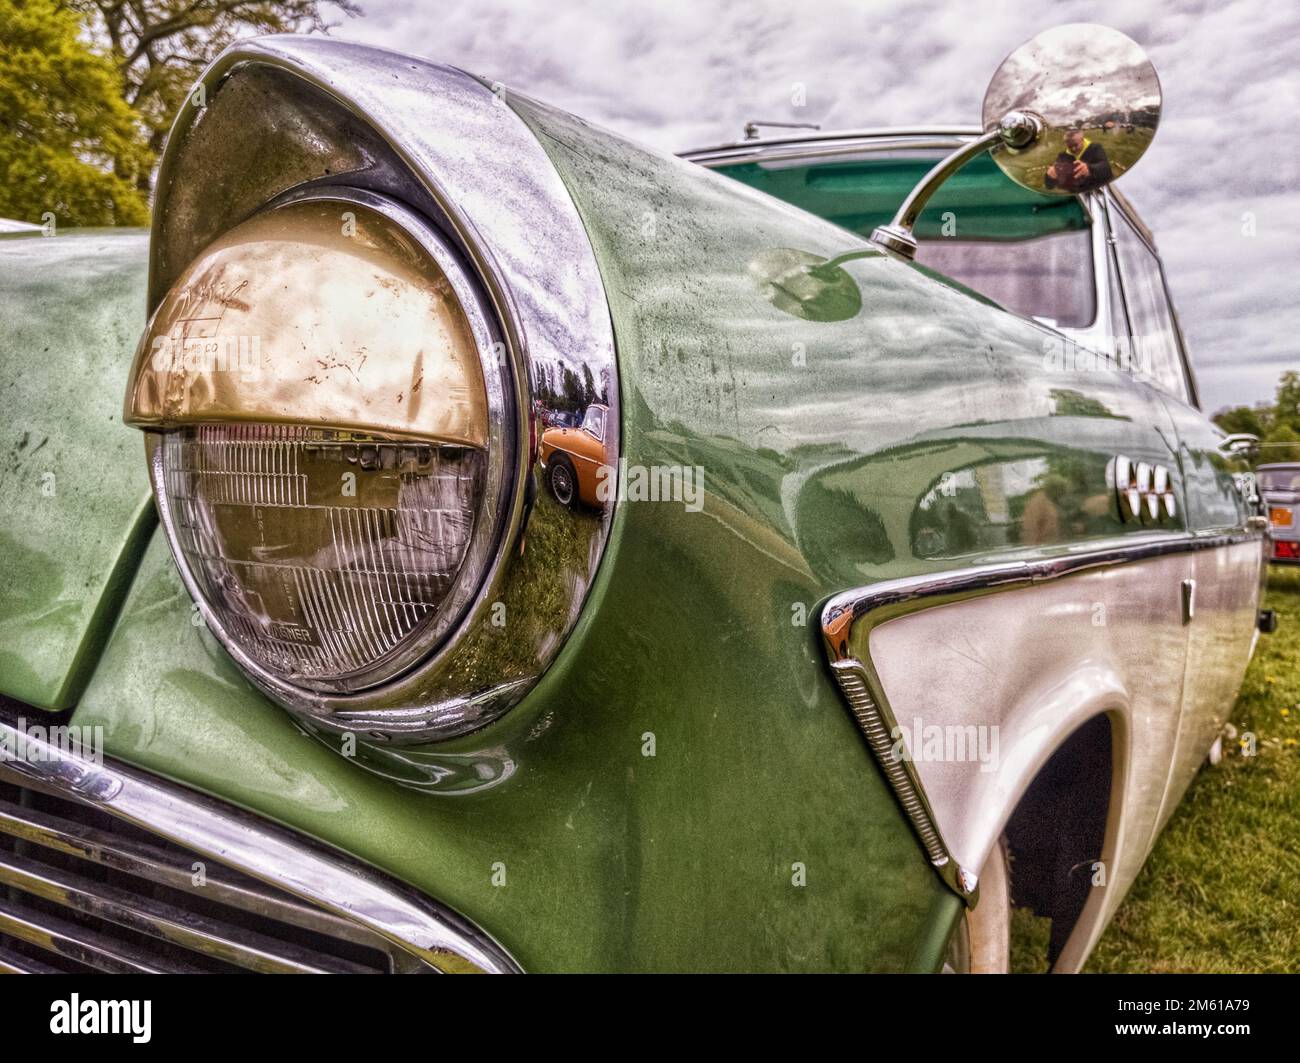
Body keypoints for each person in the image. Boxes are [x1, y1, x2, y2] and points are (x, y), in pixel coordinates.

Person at [1045, 130, 1114, 192]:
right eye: (1070, 146)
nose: (1073, 149)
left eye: (1076, 145)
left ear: (1082, 140)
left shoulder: (1095, 148)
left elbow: (1106, 168)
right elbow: (1049, 186)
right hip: (1077, 194)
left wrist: (1089, 168)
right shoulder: (1062, 156)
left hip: (1099, 189)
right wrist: (1050, 177)